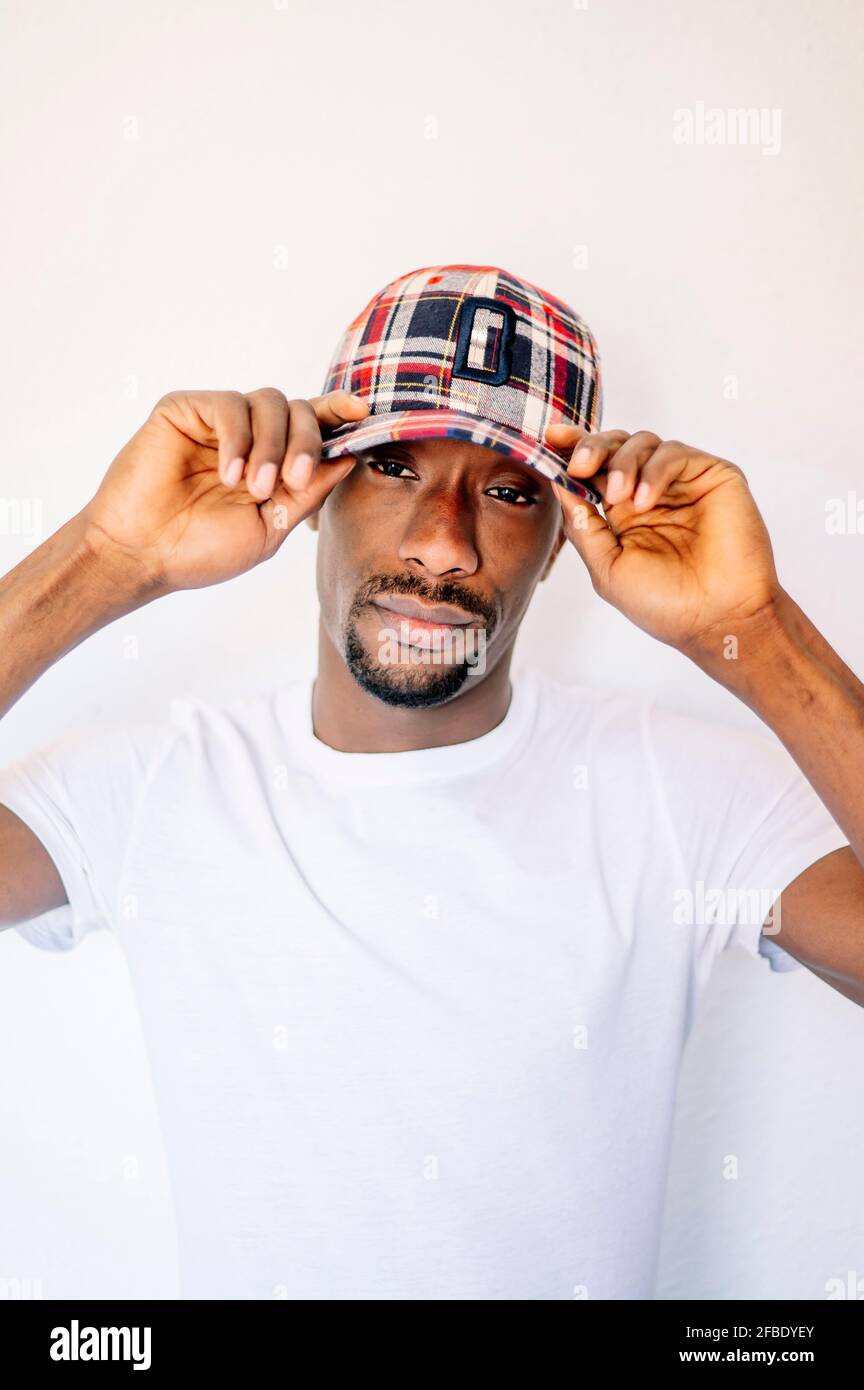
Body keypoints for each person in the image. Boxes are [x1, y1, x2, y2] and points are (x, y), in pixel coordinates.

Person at [0, 263, 860, 1300]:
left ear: (559, 546)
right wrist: (106, 557)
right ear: (312, 494)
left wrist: (759, 634)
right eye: (394, 468)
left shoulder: (685, 794)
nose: (442, 544)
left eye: (505, 492)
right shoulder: (148, 788)